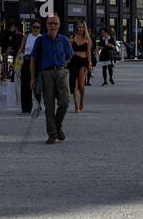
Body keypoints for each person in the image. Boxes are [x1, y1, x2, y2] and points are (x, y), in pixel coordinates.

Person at [31, 14, 74, 144]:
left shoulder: (64, 40)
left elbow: (69, 56)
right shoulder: (41, 40)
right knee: (49, 105)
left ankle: (57, 126)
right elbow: (33, 59)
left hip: (61, 72)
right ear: (46, 25)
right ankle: (52, 134)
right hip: (46, 73)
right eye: (50, 23)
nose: (53, 26)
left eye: (55, 23)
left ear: (59, 25)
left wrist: (63, 66)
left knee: (65, 103)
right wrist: (33, 78)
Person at [68, 22, 94, 112]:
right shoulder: (72, 38)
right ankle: (76, 105)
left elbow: (89, 53)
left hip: (83, 62)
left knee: (81, 85)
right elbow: (69, 51)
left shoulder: (87, 39)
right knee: (74, 85)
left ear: (84, 28)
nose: (80, 29)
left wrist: (90, 64)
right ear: (76, 28)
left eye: (82, 27)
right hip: (73, 61)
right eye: (79, 27)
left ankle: (82, 101)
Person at [22, 19, 42, 113]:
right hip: (26, 61)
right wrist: (16, 63)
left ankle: (37, 105)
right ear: (31, 28)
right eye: (34, 27)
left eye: (38, 27)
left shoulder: (42, 38)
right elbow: (21, 48)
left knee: (37, 84)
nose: (36, 29)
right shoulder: (27, 36)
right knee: (25, 84)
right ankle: (26, 107)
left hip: (37, 62)